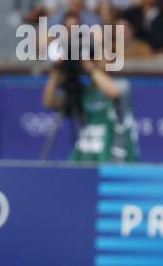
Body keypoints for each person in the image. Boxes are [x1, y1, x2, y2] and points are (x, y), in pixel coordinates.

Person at [42, 14, 139, 163]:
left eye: (99, 54)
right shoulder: (84, 92)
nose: (95, 58)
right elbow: (49, 101)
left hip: (117, 159)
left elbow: (114, 92)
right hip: (86, 159)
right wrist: (57, 70)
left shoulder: (122, 84)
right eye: (93, 54)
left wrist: (89, 67)